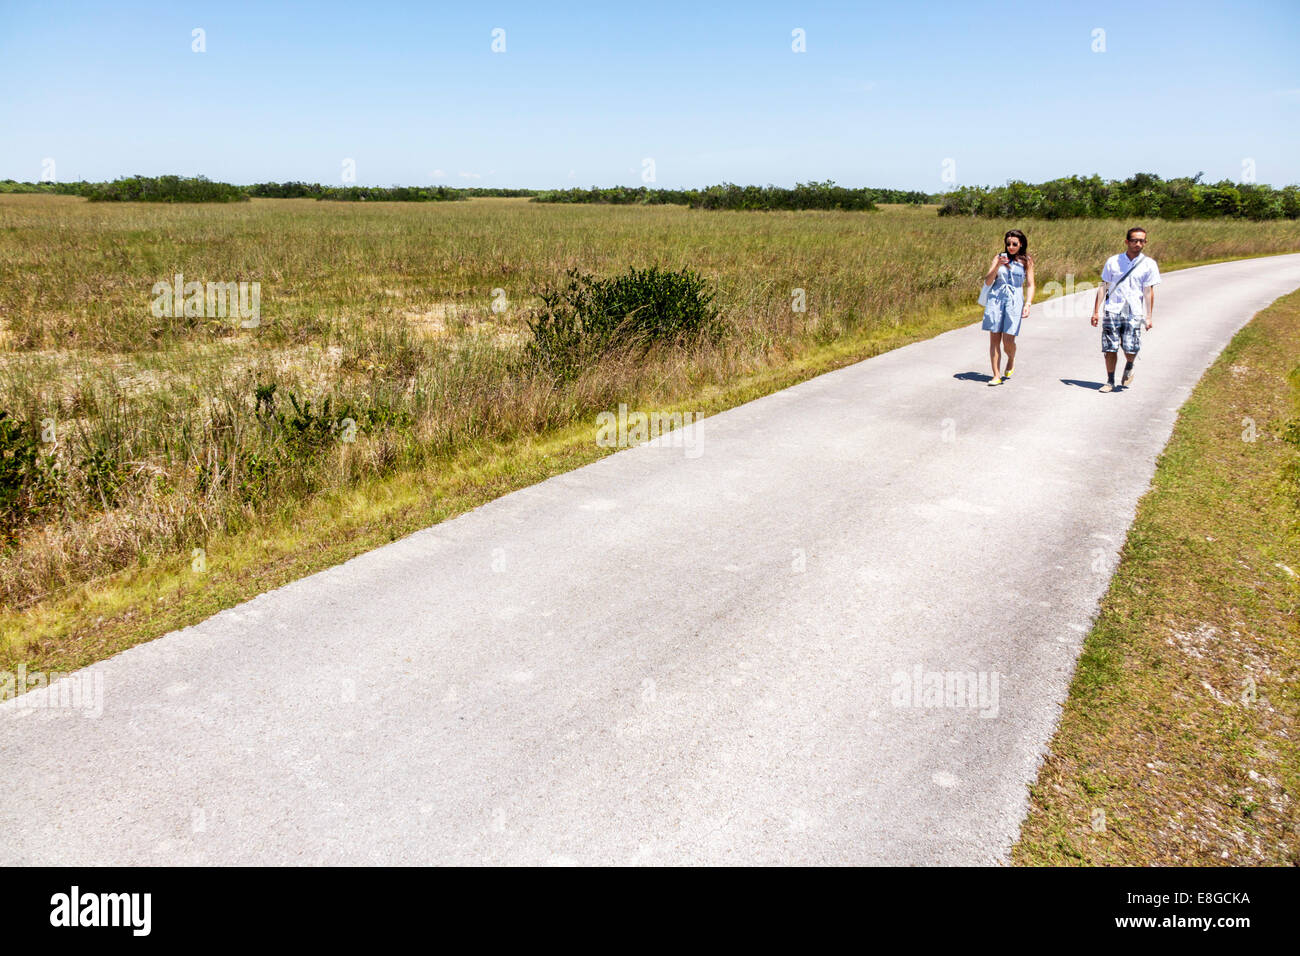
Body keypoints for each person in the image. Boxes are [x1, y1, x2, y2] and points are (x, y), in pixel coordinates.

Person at [1090, 226, 1160, 393]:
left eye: (1141, 241)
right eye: (1134, 240)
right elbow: (1104, 286)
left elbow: (1148, 291)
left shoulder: (1149, 264)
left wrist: (1149, 316)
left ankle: (1129, 364)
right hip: (1113, 309)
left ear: (1145, 242)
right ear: (1127, 242)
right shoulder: (1113, 261)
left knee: (1130, 348)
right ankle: (1110, 381)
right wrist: (1096, 311)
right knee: (1109, 347)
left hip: (1133, 311)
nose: (1138, 244)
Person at [980, 229, 1035, 386]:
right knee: (994, 339)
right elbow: (988, 281)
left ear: (1021, 244)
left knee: (1008, 341)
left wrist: (1028, 303)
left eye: (1014, 244)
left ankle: (1011, 357)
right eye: (1008, 244)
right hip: (996, 299)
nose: (1011, 247)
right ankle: (996, 375)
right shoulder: (999, 257)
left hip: (1014, 300)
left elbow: (1030, 284)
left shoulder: (1026, 261)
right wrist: (997, 265)